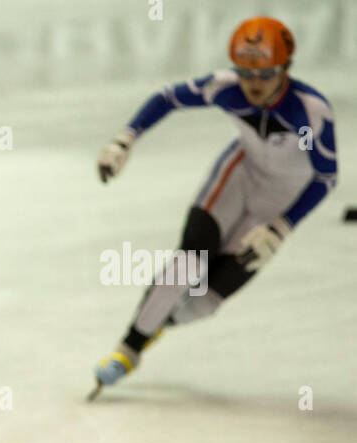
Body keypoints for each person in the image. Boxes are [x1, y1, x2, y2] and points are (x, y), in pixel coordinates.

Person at [91, 16, 338, 397]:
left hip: (278, 207)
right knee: (187, 263)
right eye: (245, 72)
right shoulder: (226, 88)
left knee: (203, 303)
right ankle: (129, 349)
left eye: (266, 73)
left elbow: (325, 178)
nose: (254, 84)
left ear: (286, 69)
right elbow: (167, 98)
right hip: (237, 178)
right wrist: (125, 139)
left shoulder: (308, 115)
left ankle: (156, 324)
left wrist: (282, 226)